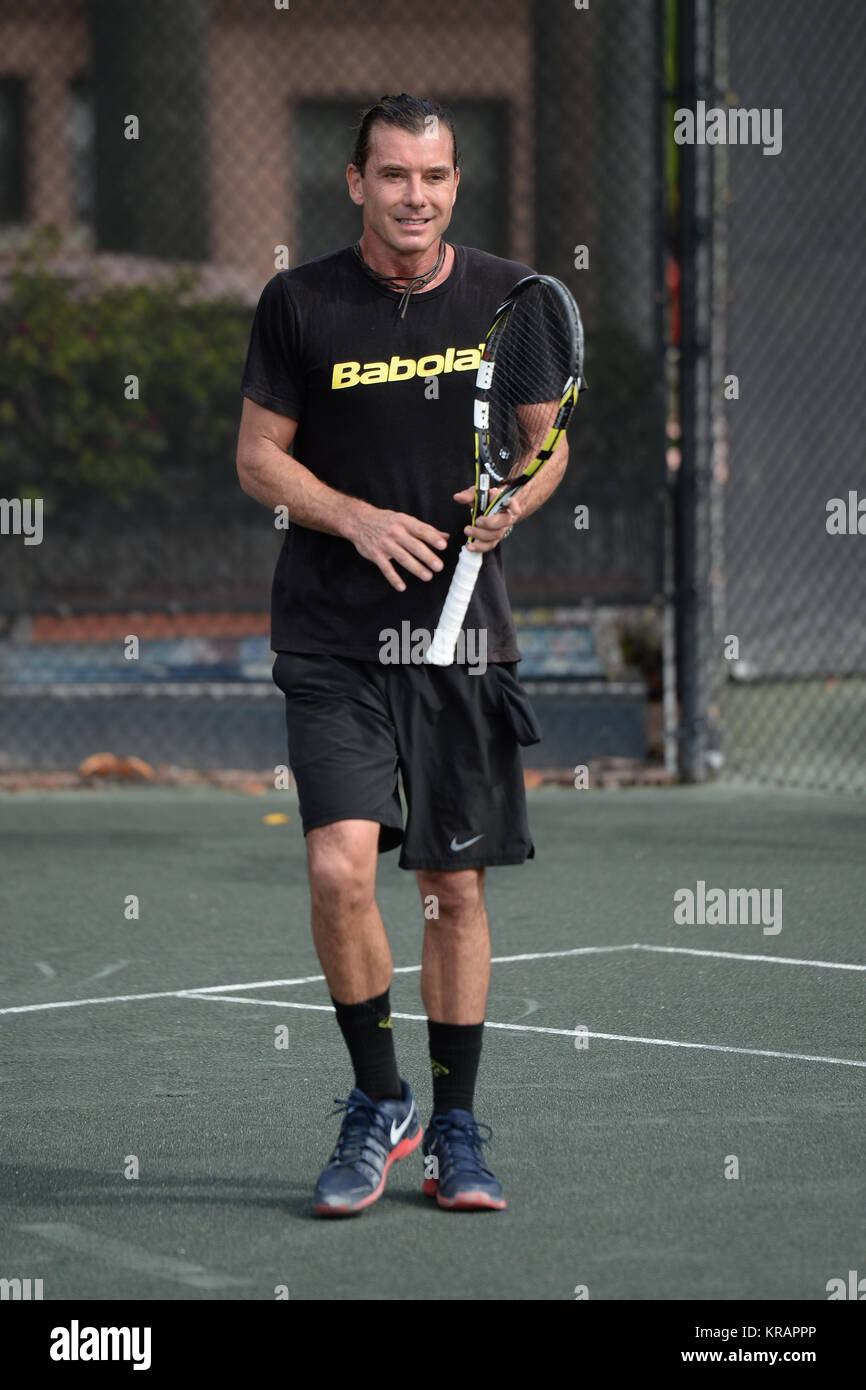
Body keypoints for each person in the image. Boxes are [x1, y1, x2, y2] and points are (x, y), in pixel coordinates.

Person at [236, 93, 571, 1215]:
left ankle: (456, 1127)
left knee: (449, 885)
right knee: (338, 867)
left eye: (431, 177)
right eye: (391, 176)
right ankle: (378, 1100)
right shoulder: (299, 301)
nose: (412, 196)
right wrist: (353, 516)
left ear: (454, 184)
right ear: (354, 183)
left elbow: (545, 447)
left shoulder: (506, 298)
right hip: (332, 635)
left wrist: (515, 504)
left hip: (461, 639)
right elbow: (257, 460)